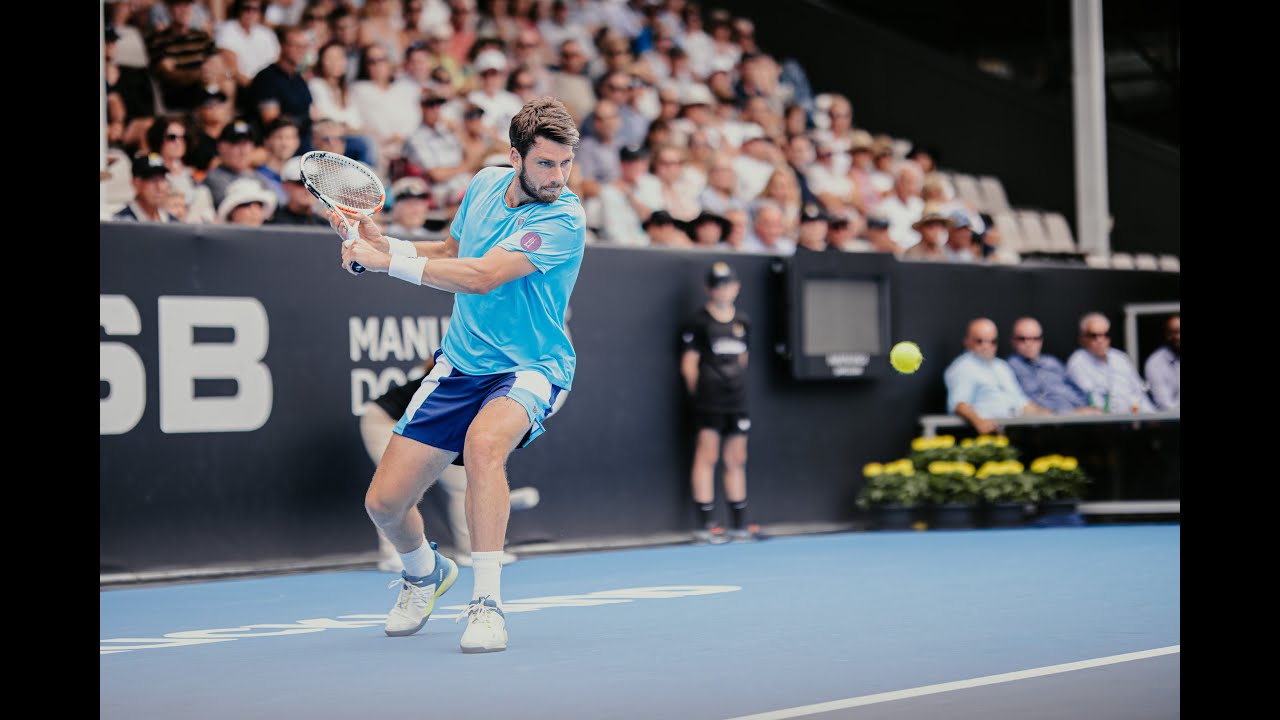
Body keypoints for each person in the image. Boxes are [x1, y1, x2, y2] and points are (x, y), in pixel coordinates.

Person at [332, 97, 583, 654]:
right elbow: (451, 251)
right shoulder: (483, 186)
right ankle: (425, 574)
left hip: (532, 365)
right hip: (462, 363)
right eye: (546, 164)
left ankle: (487, 603)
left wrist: (385, 265)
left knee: (484, 444)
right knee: (384, 505)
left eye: (566, 163)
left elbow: (482, 276)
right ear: (515, 157)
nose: (559, 177)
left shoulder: (564, 216)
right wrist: (385, 244)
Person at [360, 357, 552, 573]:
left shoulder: (496, 383)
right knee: (400, 487)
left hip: (434, 427)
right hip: (382, 421)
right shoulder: (456, 378)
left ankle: (470, 550)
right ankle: (392, 554)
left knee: (463, 484)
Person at [680, 261, 763, 544]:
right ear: (708, 289)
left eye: (727, 284)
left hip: (737, 400)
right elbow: (689, 365)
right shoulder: (698, 321)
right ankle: (707, 524)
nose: (722, 290)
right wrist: (699, 396)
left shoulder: (744, 321)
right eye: (717, 285)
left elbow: (743, 360)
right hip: (708, 400)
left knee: (737, 457)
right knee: (707, 455)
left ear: (737, 287)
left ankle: (740, 523)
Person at [944, 317, 1052, 435]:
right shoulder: (963, 367)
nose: (987, 346)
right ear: (967, 342)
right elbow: (959, 404)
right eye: (980, 341)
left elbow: (1022, 403)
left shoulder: (1002, 366)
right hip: (986, 437)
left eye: (992, 341)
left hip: (1016, 431)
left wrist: (1049, 416)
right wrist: (979, 422)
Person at [1006, 316, 1100, 415]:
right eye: (1023, 339)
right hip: (1051, 421)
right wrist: (1071, 413)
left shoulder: (1052, 362)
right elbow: (1026, 404)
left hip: (1082, 415)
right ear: (1013, 341)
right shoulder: (1009, 367)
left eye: (1036, 338)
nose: (1029, 343)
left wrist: (1087, 407)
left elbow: (1076, 390)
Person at [1066, 312, 1156, 414]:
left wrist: (1151, 415)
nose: (1100, 340)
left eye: (1105, 335)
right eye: (1094, 335)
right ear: (1082, 339)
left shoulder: (1120, 358)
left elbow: (1139, 392)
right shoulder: (1078, 362)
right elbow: (1092, 401)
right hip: (1104, 423)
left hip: (1135, 419)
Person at [1144, 313, 1180, 410]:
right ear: (1167, 335)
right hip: (1170, 422)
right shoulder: (1155, 363)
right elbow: (1165, 405)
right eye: (1176, 332)